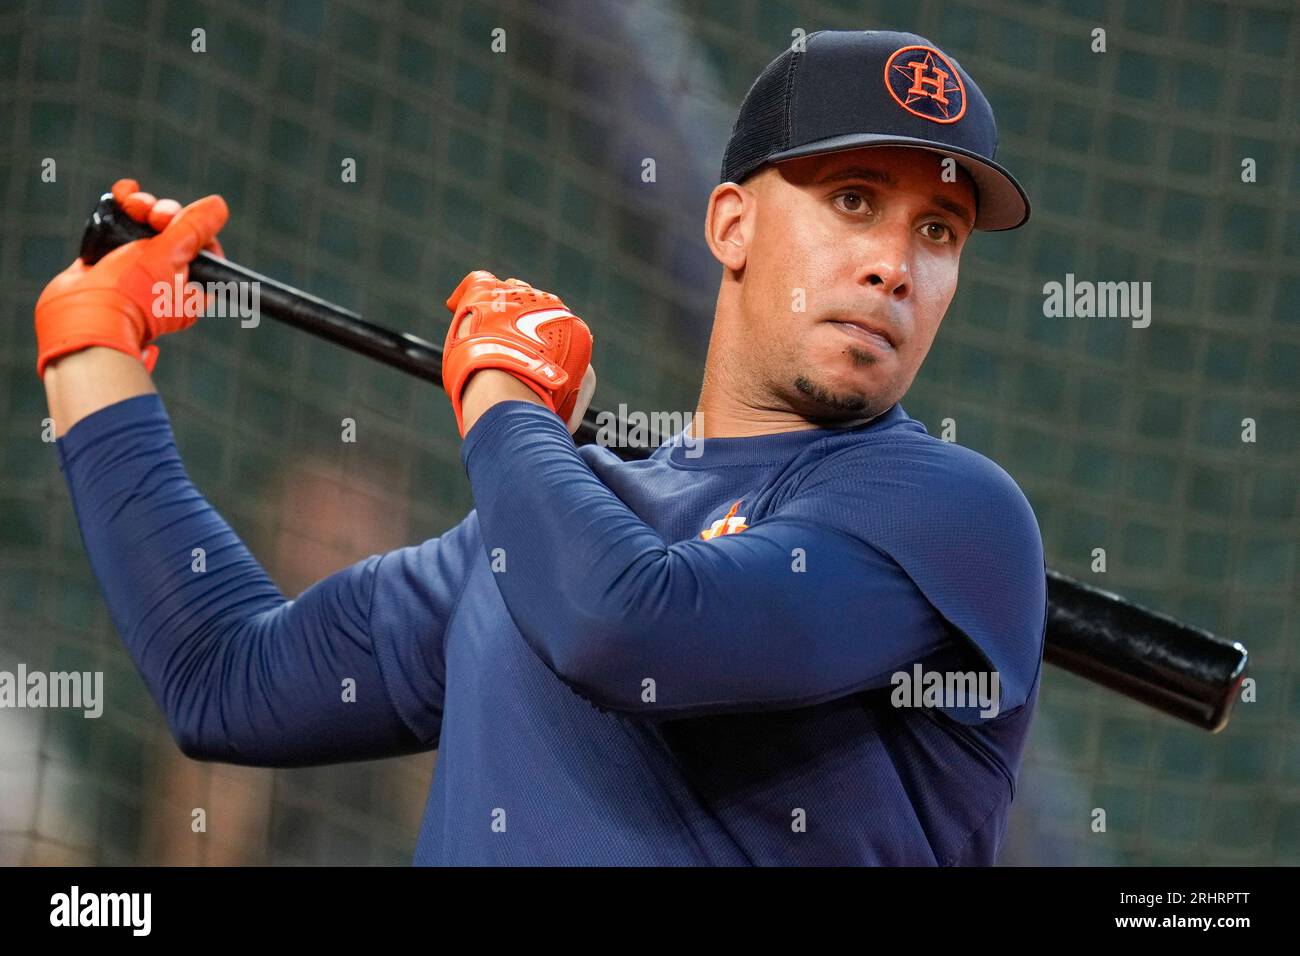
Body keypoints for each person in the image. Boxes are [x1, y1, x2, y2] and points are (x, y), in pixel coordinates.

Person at [36, 30, 1045, 865]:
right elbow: (227, 681)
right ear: (732, 225)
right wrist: (93, 357)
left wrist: (503, 394)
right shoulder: (543, 525)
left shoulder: (950, 511)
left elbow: (627, 628)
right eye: (854, 200)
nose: (893, 265)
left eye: (939, 231)